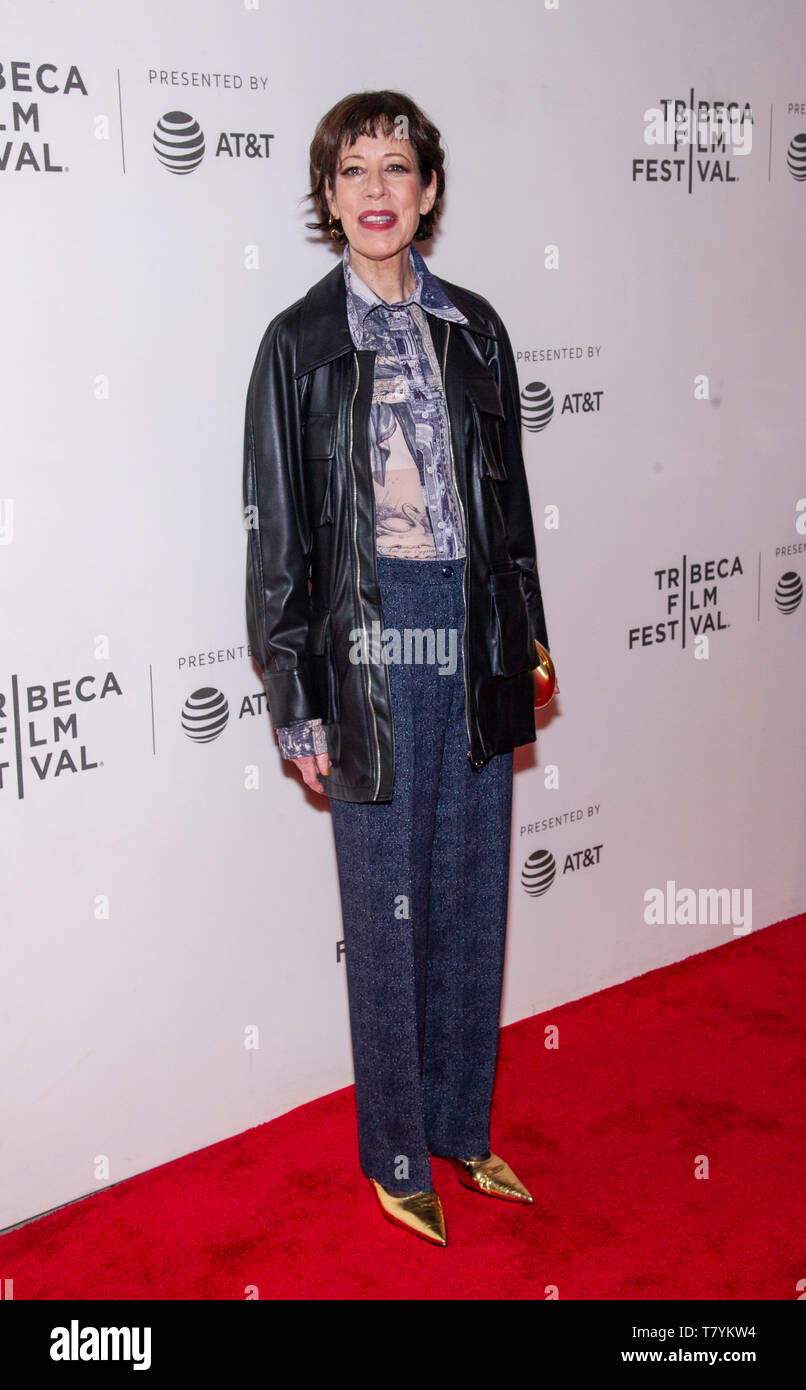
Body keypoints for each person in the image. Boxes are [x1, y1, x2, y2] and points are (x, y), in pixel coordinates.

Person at [243, 90, 554, 1246]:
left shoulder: (473, 324)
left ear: (426, 187)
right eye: (353, 171)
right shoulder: (297, 343)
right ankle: (392, 1149)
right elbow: (278, 538)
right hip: (364, 634)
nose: (376, 190)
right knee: (384, 901)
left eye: (397, 167)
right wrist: (296, 698)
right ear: (328, 200)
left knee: (471, 886)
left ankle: (462, 1126)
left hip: (469, 619)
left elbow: (507, 505)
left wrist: (522, 636)